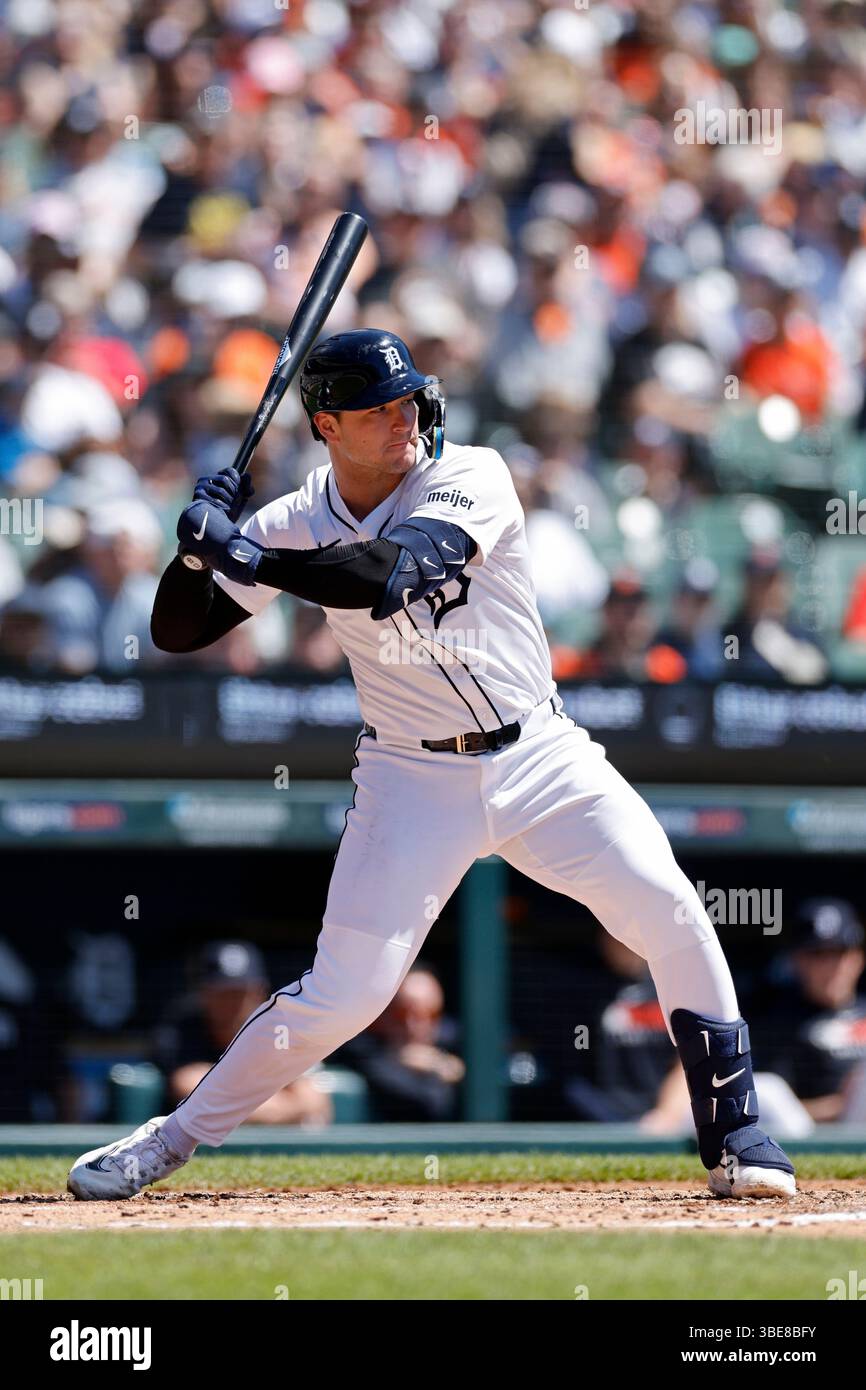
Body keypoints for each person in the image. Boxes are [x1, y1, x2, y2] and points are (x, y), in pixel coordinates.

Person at [67, 329, 796, 1200]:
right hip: (411, 779)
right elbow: (177, 629)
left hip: (542, 756)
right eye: (379, 409)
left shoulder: (471, 474)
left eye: (410, 399)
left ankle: (740, 1135)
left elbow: (384, 575)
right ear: (328, 425)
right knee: (345, 995)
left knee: (672, 908)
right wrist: (196, 549)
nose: (404, 417)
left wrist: (242, 553)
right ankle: (171, 1140)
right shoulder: (295, 516)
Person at [154, 941, 332, 1128]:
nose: (232, 1004)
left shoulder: (279, 1028)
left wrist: (241, 1108)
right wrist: (285, 1109)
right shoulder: (185, 1025)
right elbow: (192, 1090)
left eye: (240, 993)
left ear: (260, 993)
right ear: (204, 993)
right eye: (222, 993)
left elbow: (315, 1102)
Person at [332, 965, 464, 1122]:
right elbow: (423, 1105)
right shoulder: (358, 1047)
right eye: (402, 1014)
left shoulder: (456, 1040)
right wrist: (397, 1060)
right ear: (381, 1015)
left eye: (431, 1014)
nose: (416, 1026)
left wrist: (446, 1066)